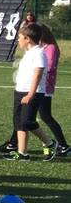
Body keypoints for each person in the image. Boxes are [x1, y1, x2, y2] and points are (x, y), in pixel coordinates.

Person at [8, 24, 55, 161]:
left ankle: (50, 143)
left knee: (27, 121)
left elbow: (37, 75)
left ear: (27, 39)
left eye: (20, 38)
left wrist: (30, 94)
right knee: (19, 123)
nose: (18, 40)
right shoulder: (28, 53)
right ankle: (22, 153)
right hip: (20, 90)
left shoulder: (39, 53)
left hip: (33, 93)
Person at [36, 24, 67, 156]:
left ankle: (63, 145)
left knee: (45, 116)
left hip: (45, 87)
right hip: (37, 86)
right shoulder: (40, 48)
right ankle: (13, 143)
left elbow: (49, 67)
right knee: (28, 116)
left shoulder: (51, 48)